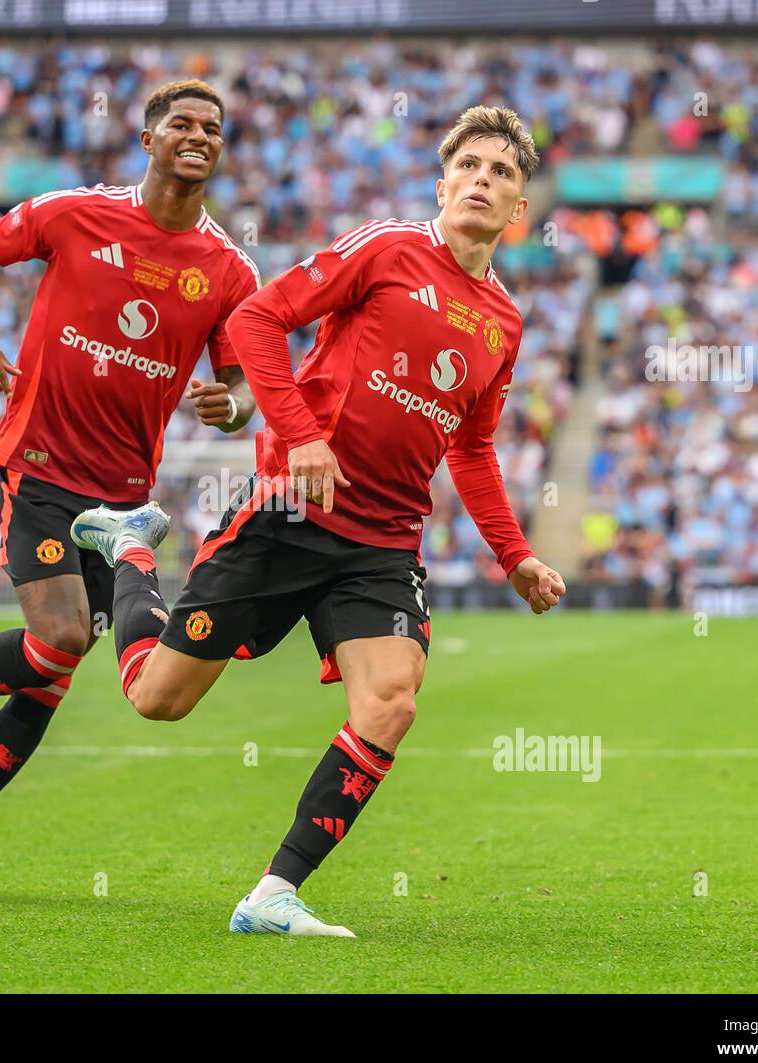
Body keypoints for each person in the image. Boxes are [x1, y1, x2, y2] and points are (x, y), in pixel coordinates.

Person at [72, 105, 566, 936]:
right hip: (292, 514)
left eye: (503, 173)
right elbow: (256, 319)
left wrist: (513, 556)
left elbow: (472, 448)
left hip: (383, 541)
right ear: (441, 184)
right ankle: (128, 549)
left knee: (392, 703)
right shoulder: (385, 246)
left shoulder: (504, 322)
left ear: (519, 208)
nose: (483, 179)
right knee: (159, 698)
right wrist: (300, 437)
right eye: (470, 166)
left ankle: (273, 893)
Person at [0, 79, 260, 898]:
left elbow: (245, 390)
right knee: (58, 640)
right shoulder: (78, 212)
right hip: (41, 462)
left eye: (214, 129)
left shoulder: (229, 270)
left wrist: (233, 407)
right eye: (183, 124)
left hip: (122, 494)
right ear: (149, 138)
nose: (199, 137)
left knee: (48, 683)